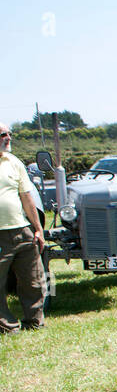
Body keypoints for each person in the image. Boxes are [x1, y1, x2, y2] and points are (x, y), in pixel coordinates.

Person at [0, 124, 47, 332]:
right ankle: (7, 326)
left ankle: (34, 322)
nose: (8, 137)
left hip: (22, 230)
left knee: (34, 280)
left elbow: (26, 197)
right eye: (3, 134)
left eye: (9, 133)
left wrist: (37, 229)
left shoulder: (13, 162)